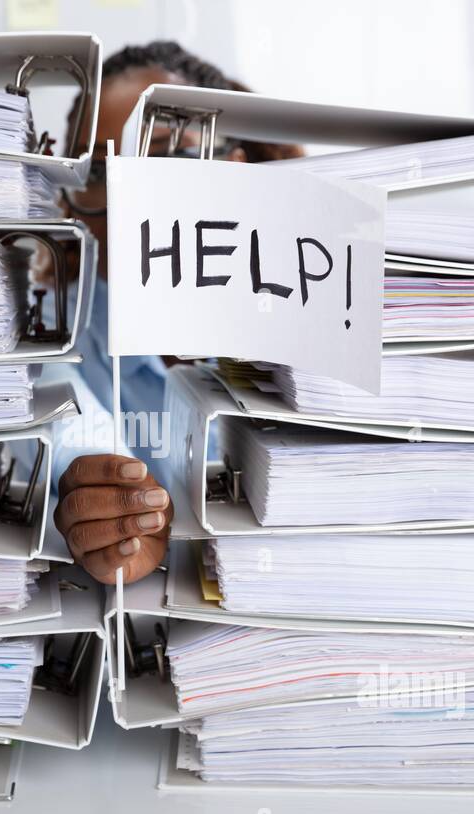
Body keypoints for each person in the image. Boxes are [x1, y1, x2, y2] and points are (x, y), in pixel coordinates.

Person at [48, 41, 302, 586]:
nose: (129, 197)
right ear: (70, 201)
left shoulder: (298, 319)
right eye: (97, 171)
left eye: (163, 157)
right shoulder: (48, 339)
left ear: (235, 171)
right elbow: (55, 438)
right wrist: (106, 514)